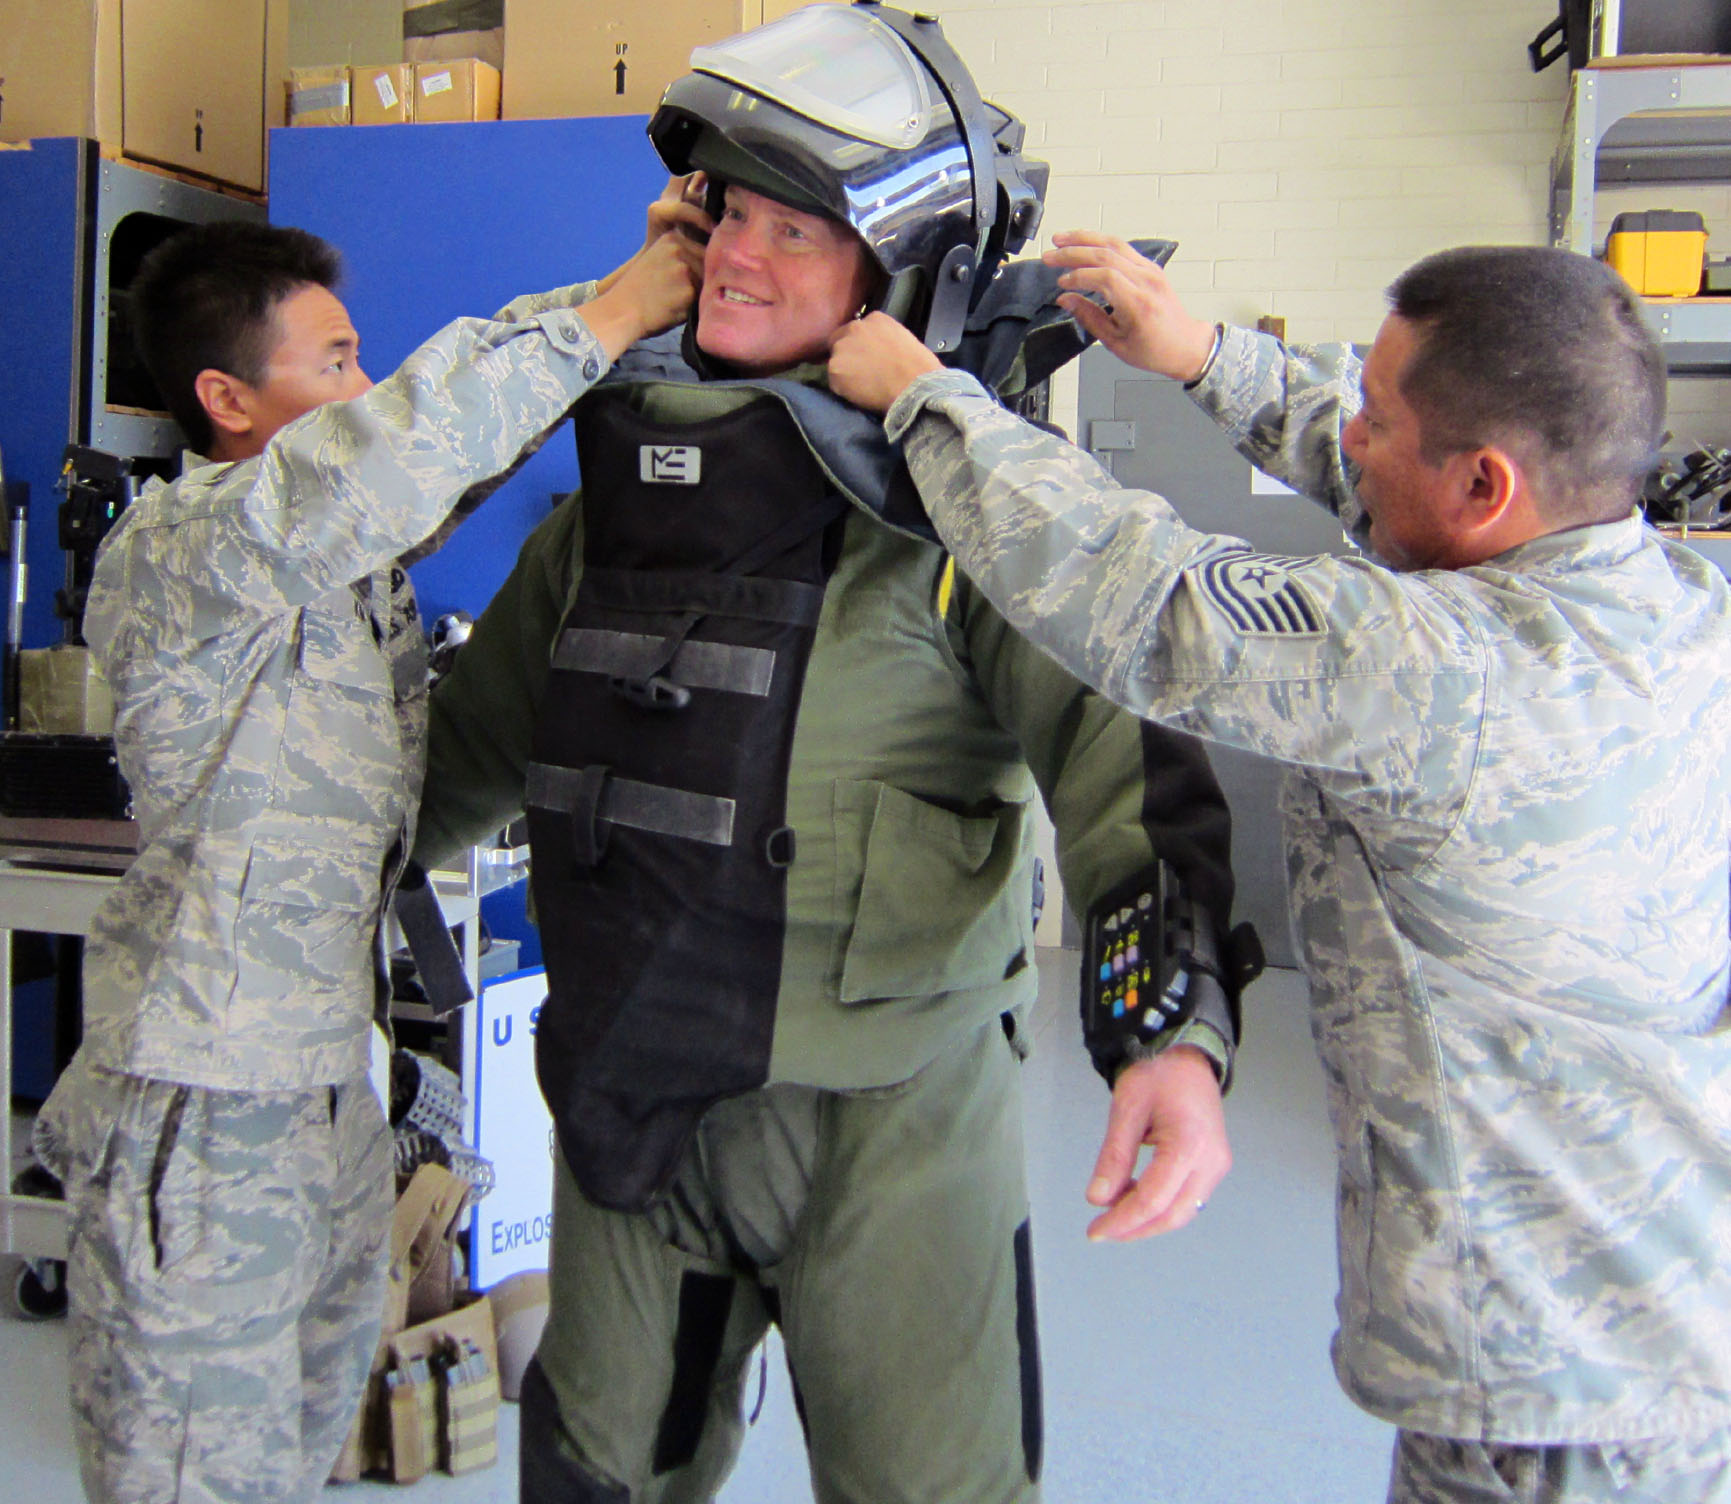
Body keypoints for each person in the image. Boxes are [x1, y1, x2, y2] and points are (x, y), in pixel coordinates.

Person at [411, 7, 1257, 1500]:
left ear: (897, 280)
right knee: (598, 1476)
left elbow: (1123, 777)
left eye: (793, 230)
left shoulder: (977, 520)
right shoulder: (605, 524)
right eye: (727, 214)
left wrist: (1172, 1043)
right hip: (630, 1099)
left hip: (894, 1126)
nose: (738, 255)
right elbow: (451, 766)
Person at [828, 235, 1731, 1502]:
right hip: (1666, 1316)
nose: (1350, 432)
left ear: (1485, 482)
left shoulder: (1448, 668)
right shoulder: (1671, 598)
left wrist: (928, 398)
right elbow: (1407, 482)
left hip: (1548, 1392)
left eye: (1375, 414)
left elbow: (1147, 600)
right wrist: (1201, 356)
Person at [29, 207, 703, 1504]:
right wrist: (609, 318)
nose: (366, 384)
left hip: (327, 1084)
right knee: (191, 1471)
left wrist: (626, 291)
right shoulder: (186, 547)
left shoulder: (332, 553)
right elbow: (386, 458)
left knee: (298, 1447)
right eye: (333, 362)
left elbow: (441, 454)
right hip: (204, 1102)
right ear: (226, 398)